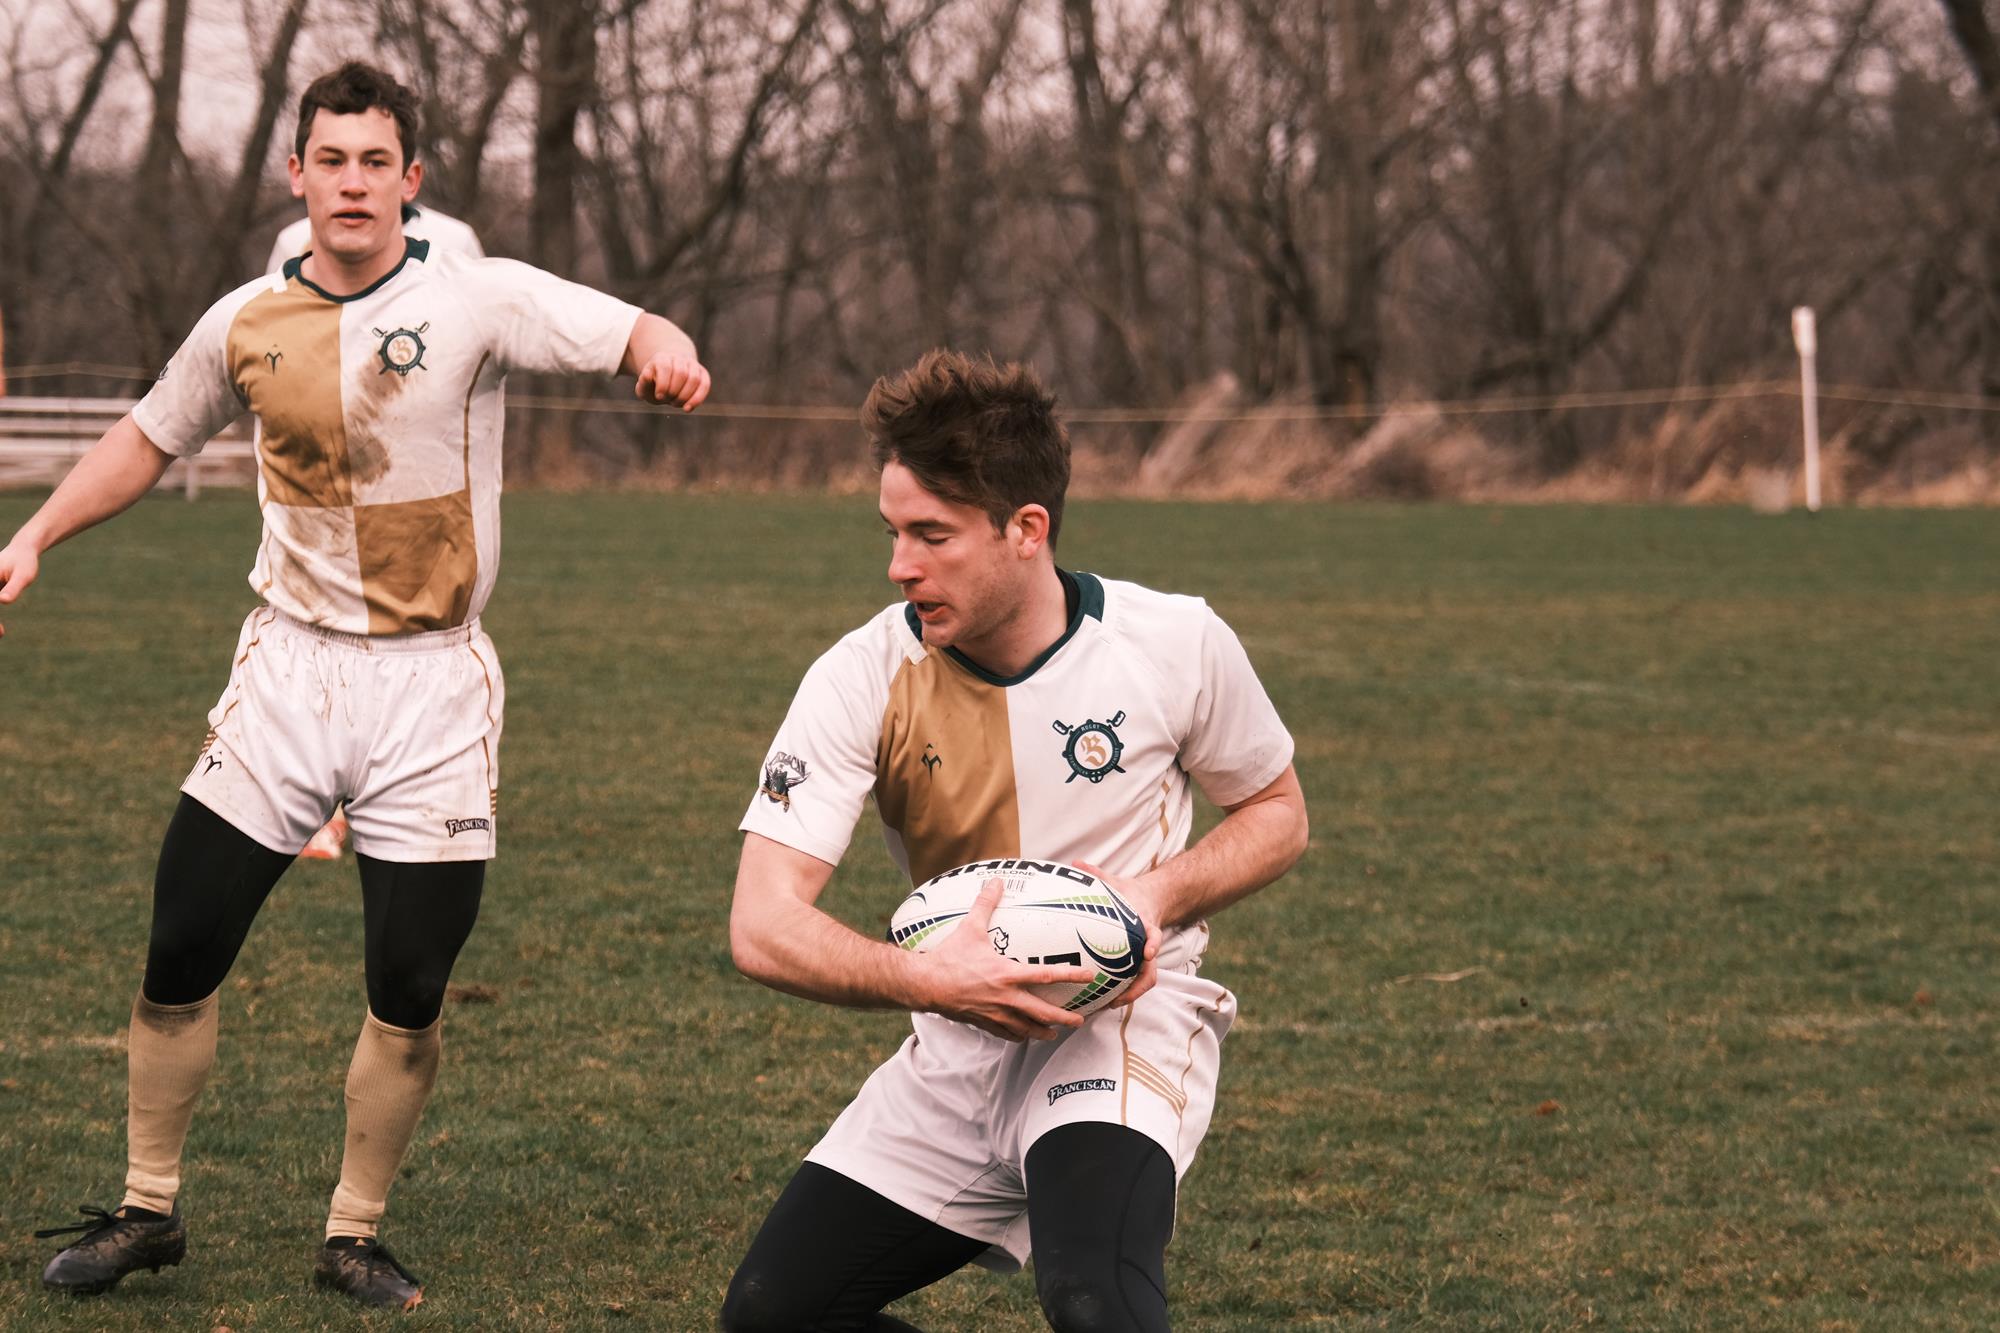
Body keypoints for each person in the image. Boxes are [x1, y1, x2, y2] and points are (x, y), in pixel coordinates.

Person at [3, 61, 711, 1310]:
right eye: (330, 160)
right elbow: (143, 438)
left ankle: (353, 1231)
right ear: (297, 175)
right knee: (180, 946)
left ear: (411, 181)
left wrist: (666, 352)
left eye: (374, 161)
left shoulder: (475, 300)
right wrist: (34, 535)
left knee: (411, 984)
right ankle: (146, 1208)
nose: (351, 183)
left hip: (432, 689)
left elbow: (624, 328)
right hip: (289, 670)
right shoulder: (243, 321)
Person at [722, 350, 1308, 1332]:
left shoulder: (1173, 642)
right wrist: (928, 982)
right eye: (893, 531)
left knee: (1093, 1301)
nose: (898, 564)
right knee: (770, 1317)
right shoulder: (859, 678)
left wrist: (1149, 900)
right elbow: (760, 922)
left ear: (1024, 530)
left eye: (932, 535)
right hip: (949, 1043)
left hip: (1122, 1025)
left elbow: (1276, 813)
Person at [268, 203, 486, 862]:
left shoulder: (455, 239)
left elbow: (473, 351)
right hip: (329, 487)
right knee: (325, 641)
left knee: (415, 647)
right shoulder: (292, 241)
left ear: (409, 169)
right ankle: (323, 810)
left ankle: (413, 806)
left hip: (423, 486)